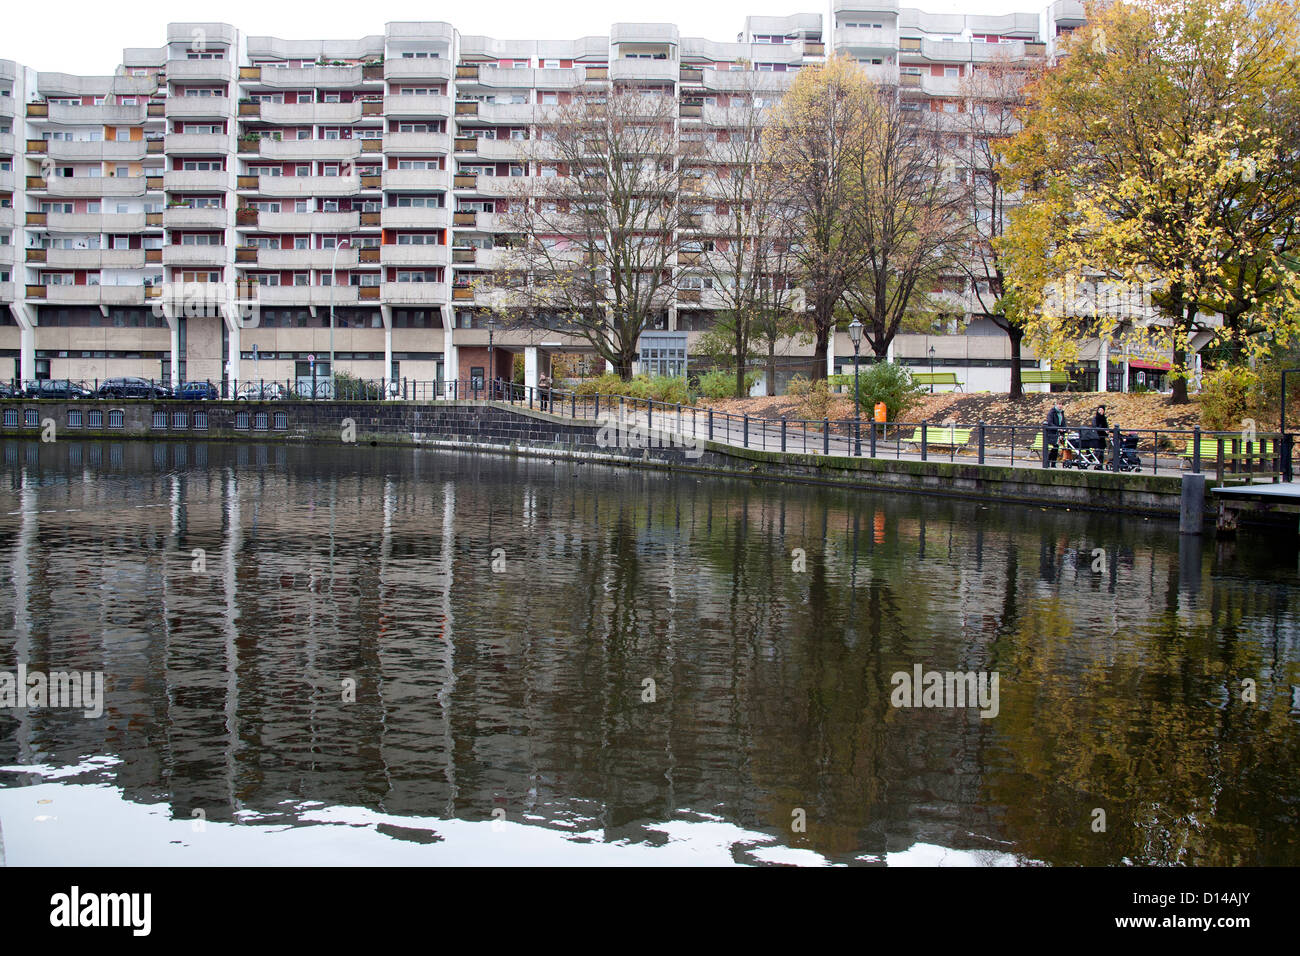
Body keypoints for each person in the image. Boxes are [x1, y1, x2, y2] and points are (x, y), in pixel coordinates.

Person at [1044, 402, 1066, 468]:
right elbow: (1050, 422)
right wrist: (1058, 428)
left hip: (1059, 433)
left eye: (1061, 404)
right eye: (1059, 404)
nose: (1060, 406)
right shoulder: (1051, 412)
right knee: (1055, 447)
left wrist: (1064, 429)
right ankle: (1050, 461)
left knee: (1056, 447)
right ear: (1056, 405)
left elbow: (1063, 422)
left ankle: (1050, 462)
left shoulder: (1061, 413)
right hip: (1052, 432)